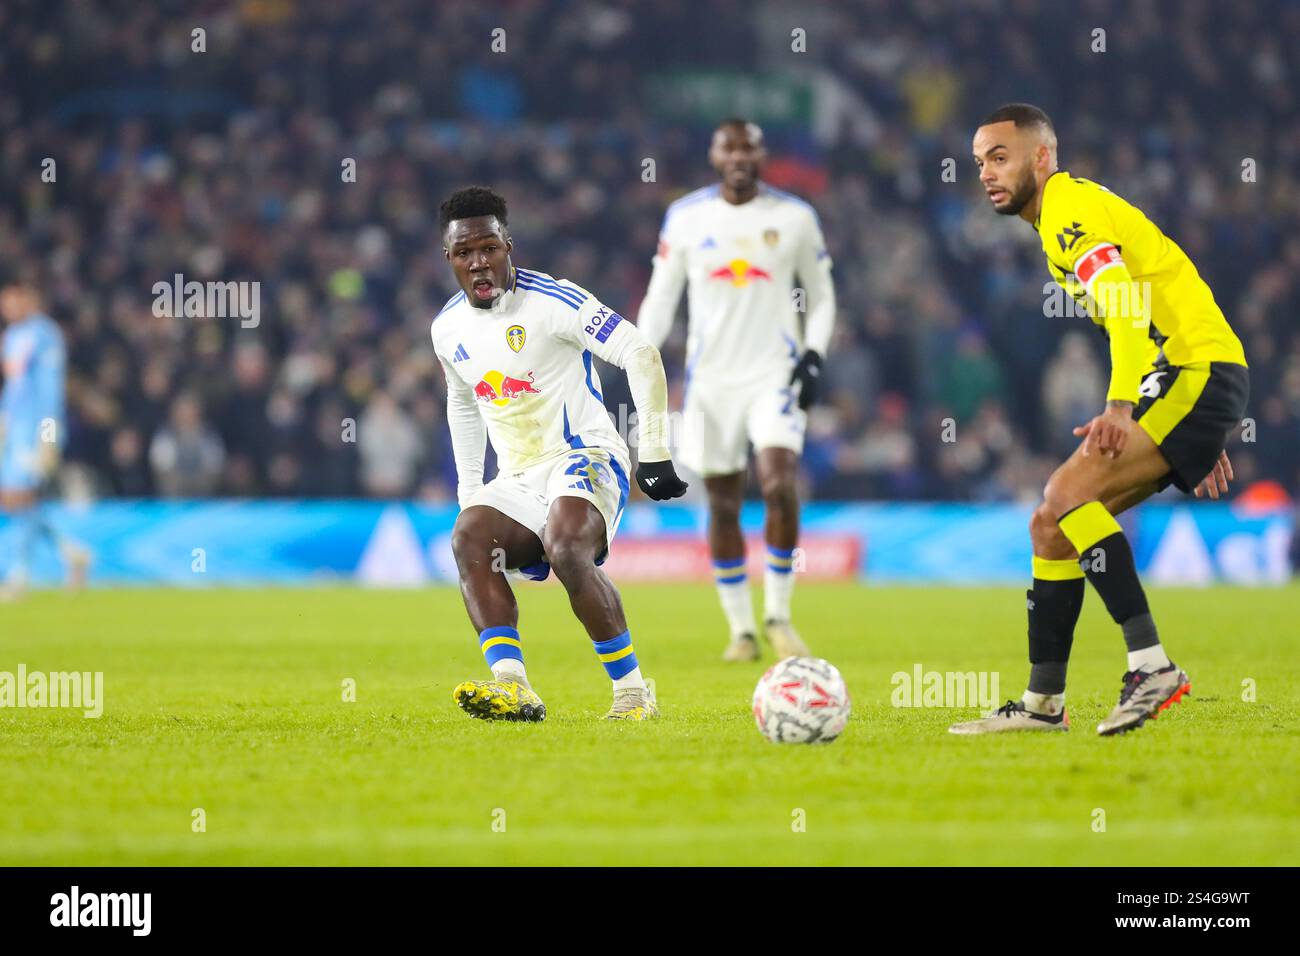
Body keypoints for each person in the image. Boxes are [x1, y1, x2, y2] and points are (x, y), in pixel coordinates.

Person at [951, 104, 1249, 737]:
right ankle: (1042, 704)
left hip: (1191, 371)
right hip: (1189, 379)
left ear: (1042, 156)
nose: (985, 174)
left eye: (999, 157)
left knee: (1064, 496)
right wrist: (1188, 425)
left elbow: (1126, 306)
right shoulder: (1064, 212)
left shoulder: (1067, 211)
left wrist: (1122, 406)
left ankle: (1151, 666)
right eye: (979, 162)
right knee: (1050, 527)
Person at [433, 186, 688, 722]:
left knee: (566, 542)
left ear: (509, 247)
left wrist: (656, 454)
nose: (478, 262)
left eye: (488, 248)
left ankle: (634, 695)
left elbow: (640, 352)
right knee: (468, 538)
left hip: (586, 456)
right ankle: (513, 686)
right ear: (449, 258)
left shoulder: (555, 301)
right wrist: (470, 494)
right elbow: (463, 405)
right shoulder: (447, 328)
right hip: (521, 476)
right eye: (464, 253)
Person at [636, 119, 836, 662]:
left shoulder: (794, 218)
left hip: (774, 373)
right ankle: (741, 630)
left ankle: (778, 614)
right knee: (722, 503)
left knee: (778, 483)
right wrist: (638, 357)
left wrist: (814, 354)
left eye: (749, 148)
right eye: (730, 148)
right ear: (715, 155)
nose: (740, 157)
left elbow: (819, 295)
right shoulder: (686, 218)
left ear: (761, 155)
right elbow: (660, 297)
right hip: (710, 384)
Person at [0, 279, 90, 598]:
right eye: (5, 302)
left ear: (29, 299)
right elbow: (14, 390)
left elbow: (50, 392)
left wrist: (48, 438)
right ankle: (72, 551)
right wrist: (4, 424)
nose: (8, 308)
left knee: (20, 495)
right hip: (17, 430)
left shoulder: (45, 335)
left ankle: (17, 575)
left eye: (13, 301)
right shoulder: (10, 337)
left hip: (39, 430)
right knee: (13, 500)